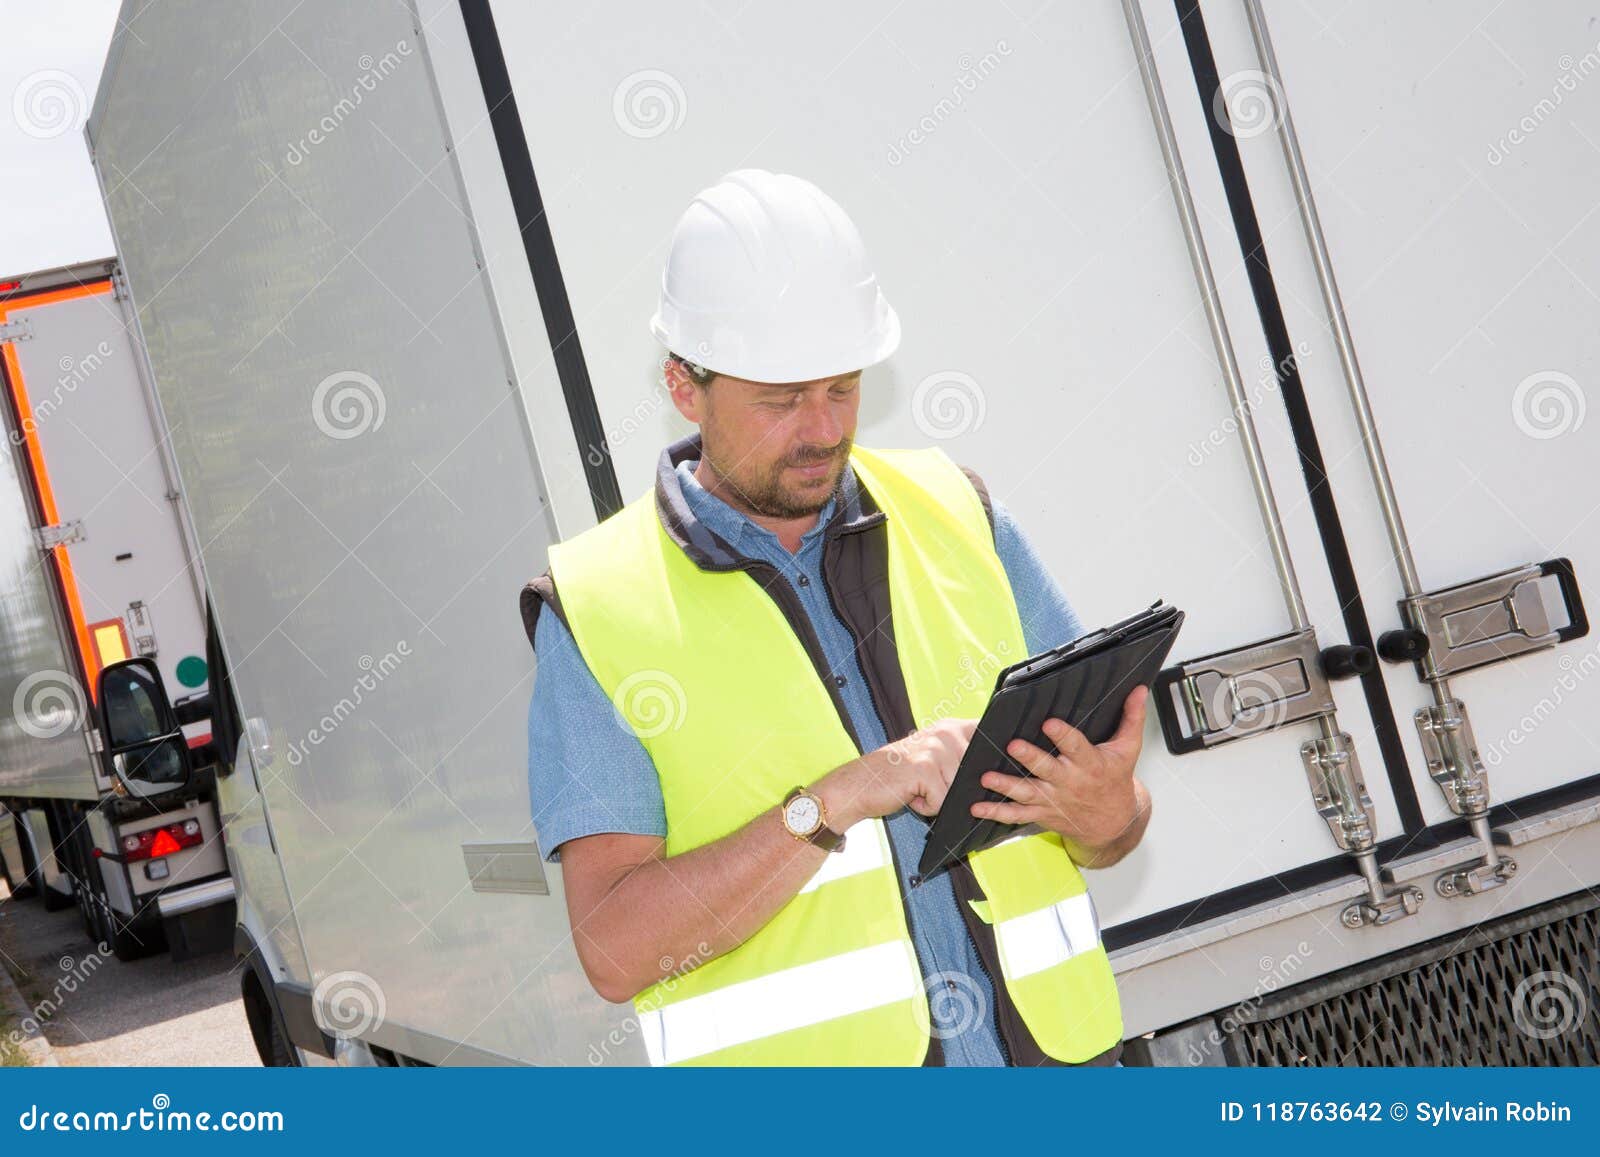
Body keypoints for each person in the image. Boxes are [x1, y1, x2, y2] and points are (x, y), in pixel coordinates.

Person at [520, 169, 1152, 1066]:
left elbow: (1115, 826)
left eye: (842, 388)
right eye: (781, 400)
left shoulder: (960, 515)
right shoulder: (597, 608)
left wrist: (1106, 810)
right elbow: (616, 951)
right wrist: (837, 800)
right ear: (683, 386)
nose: (821, 428)